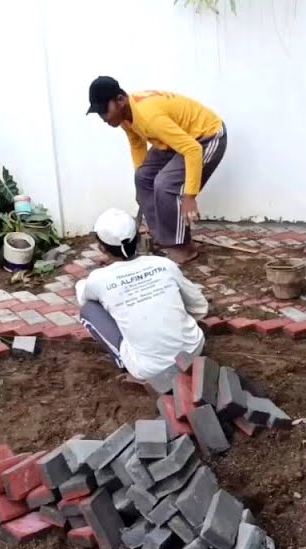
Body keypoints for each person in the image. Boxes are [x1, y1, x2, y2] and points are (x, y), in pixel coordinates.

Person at [87, 76, 227, 265]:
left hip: (206, 137)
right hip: (175, 140)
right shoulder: (125, 117)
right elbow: (137, 144)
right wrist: (142, 182)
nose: (104, 118)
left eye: (105, 110)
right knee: (144, 178)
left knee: (166, 184)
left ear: (120, 100)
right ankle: (163, 237)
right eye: (99, 113)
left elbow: (193, 150)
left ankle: (183, 249)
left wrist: (189, 197)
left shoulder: (149, 117)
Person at [76, 208, 210, 381]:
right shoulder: (163, 264)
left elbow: (83, 297)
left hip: (150, 369)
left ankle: (124, 362)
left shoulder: (98, 279)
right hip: (194, 350)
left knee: (89, 309)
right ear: (138, 238)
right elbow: (200, 307)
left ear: (101, 248)